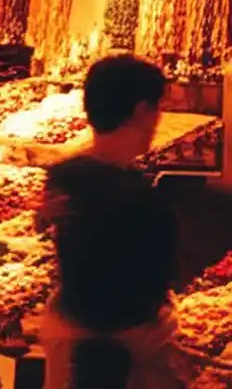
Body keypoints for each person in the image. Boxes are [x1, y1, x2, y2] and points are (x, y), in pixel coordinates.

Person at [38, 56, 185, 388]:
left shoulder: (64, 176)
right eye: (158, 107)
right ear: (140, 111)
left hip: (67, 344)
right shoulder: (143, 200)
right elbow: (146, 287)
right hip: (115, 360)